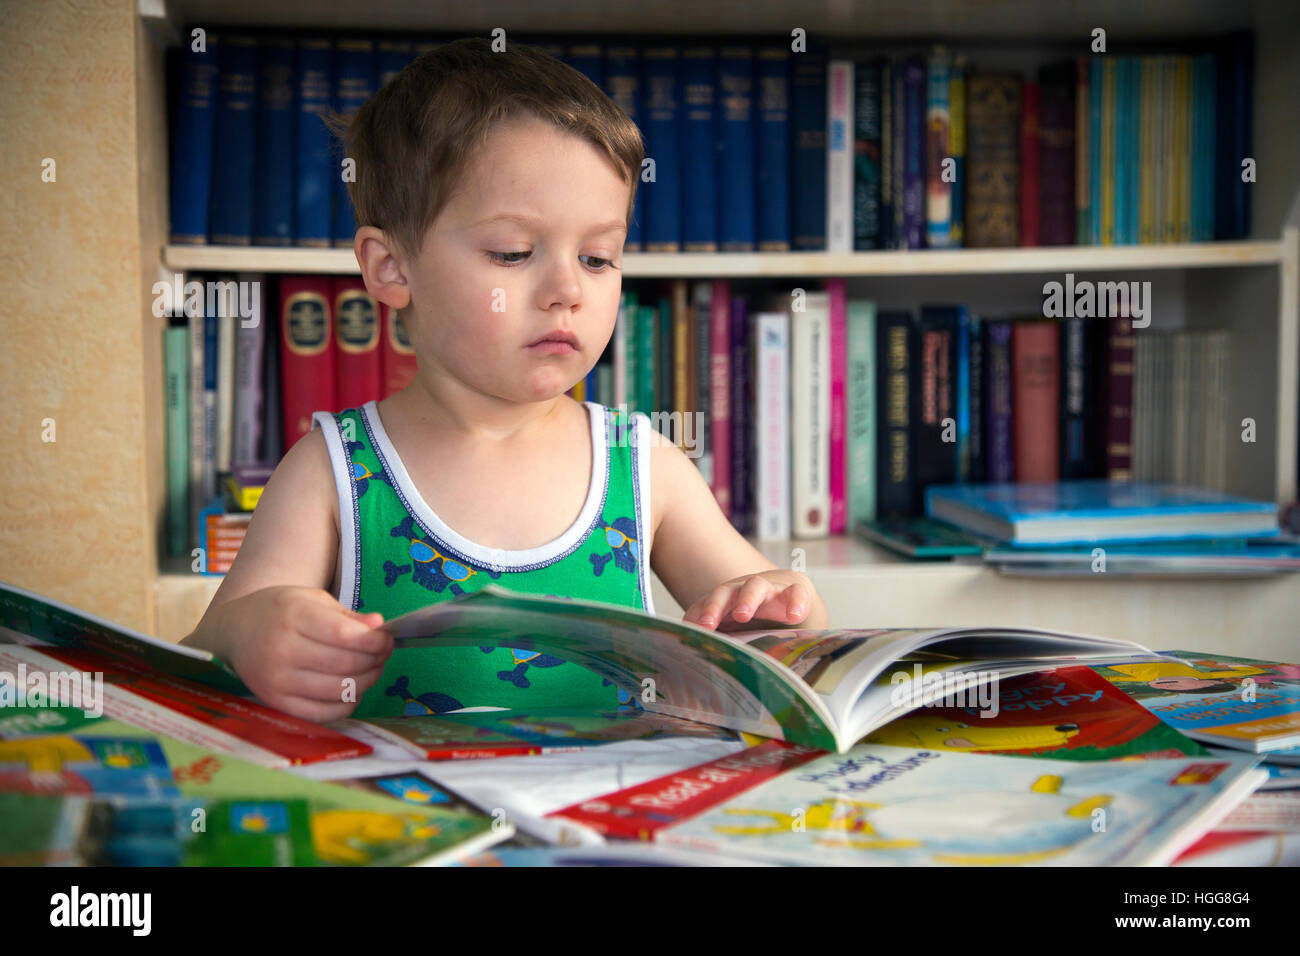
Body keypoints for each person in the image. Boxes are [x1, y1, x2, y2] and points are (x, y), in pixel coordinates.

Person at [183, 37, 828, 722]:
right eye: (514, 252)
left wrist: (788, 615)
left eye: (598, 257)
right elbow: (196, 654)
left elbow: (764, 616)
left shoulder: (644, 466)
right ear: (391, 267)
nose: (566, 289)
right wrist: (250, 634)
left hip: (610, 822)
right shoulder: (331, 469)